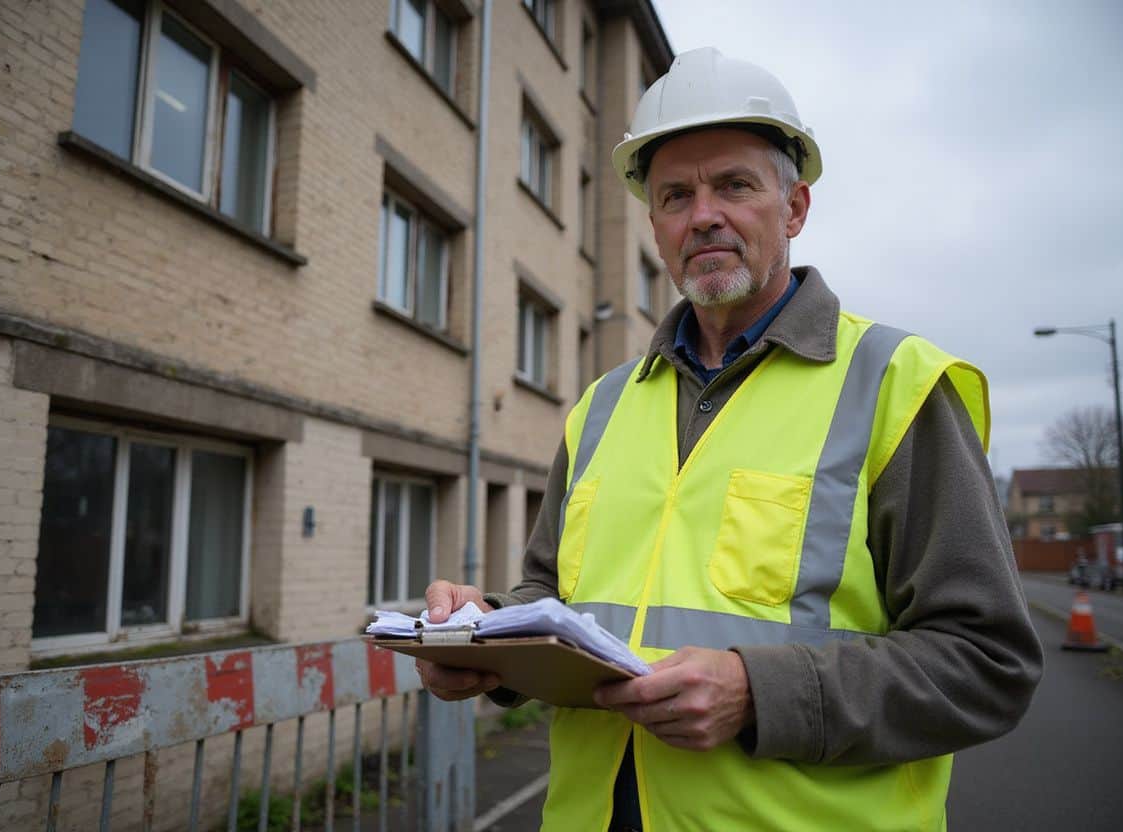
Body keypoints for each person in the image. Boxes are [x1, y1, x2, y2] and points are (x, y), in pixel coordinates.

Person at [417, 47, 1042, 831]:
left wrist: (761, 693)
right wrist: (486, 636)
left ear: (795, 209)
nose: (702, 213)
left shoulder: (895, 386)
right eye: (675, 194)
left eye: (735, 185)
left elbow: (988, 665)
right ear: (654, 226)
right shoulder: (604, 406)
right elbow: (553, 600)